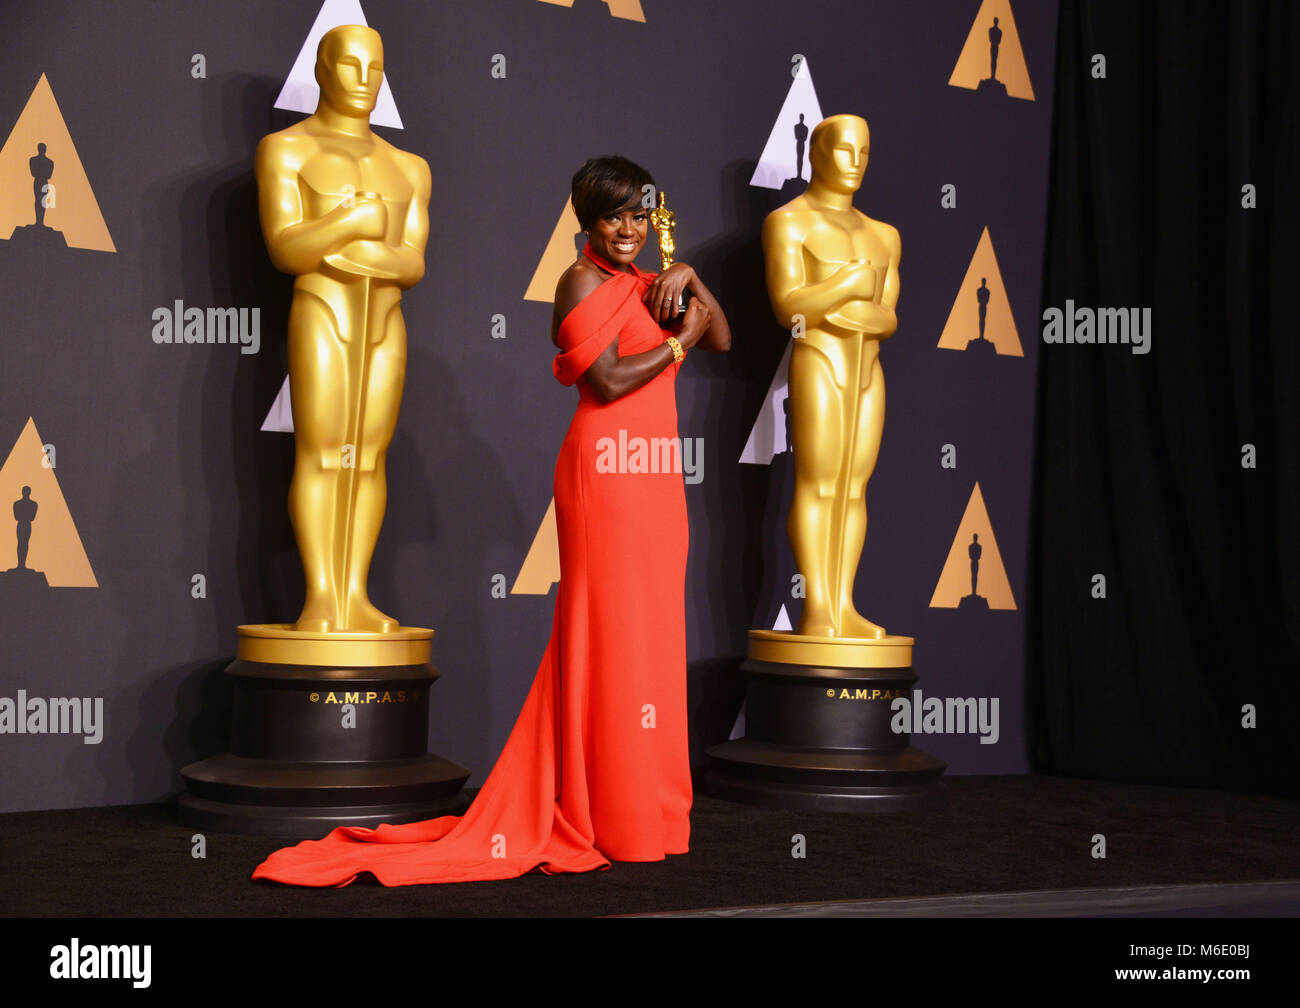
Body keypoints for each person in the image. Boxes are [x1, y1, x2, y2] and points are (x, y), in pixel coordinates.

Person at [251, 156, 731, 886]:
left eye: (640, 215)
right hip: (606, 473)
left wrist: (690, 280)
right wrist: (679, 340)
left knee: (652, 635)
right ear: (586, 222)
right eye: (614, 217)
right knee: (609, 633)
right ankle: (612, 814)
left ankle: (651, 810)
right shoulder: (580, 282)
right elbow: (606, 381)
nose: (629, 230)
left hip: (659, 478)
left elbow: (724, 337)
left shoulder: (649, 282)